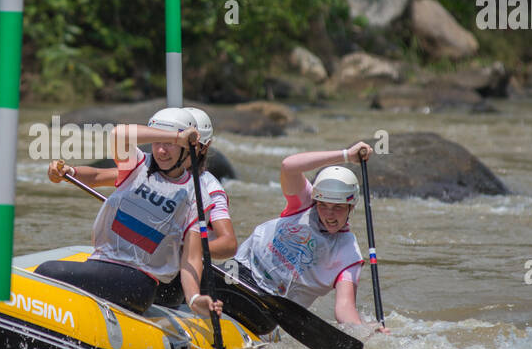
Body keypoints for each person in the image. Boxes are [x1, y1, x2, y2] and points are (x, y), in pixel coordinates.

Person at [37, 108, 223, 318]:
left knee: (47, 271)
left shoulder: (196, 197)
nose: (161, 151)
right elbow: (118, 135)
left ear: (187, 150)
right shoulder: (136, 164)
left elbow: (192, 258)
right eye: (157, 143)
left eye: (170, 146)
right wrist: (175, 137)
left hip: (138, 281)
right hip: (101, 264)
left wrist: (194, 299)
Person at [231, 141, 389, 332]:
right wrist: (346, 155)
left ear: (351, 207)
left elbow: (345, 309)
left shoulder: (349, 255)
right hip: (238, 275)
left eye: (338, 207)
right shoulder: (304, 203)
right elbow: (288, 166)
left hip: (270, 314)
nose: (329, 215)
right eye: (323, 205)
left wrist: (364, 332)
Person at [49, 105, 236, 259]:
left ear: (204, 148)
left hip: (172, 272)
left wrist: (183, 248)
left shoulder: (209, 190)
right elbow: (98, 176)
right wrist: (69, 172)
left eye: (190, 146)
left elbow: (228, 243)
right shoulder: (147, 167)